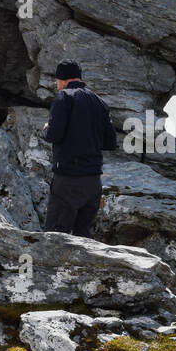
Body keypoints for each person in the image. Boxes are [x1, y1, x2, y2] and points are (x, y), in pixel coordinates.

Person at [42, 61, 118, 237]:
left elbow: (54, 135)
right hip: (93, 182)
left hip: (68, 180)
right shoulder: (100, 102)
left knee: (54, 237)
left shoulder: (64, 97)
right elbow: (110, 142)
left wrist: (46, 128)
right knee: (83, 238)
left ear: (61, 80)